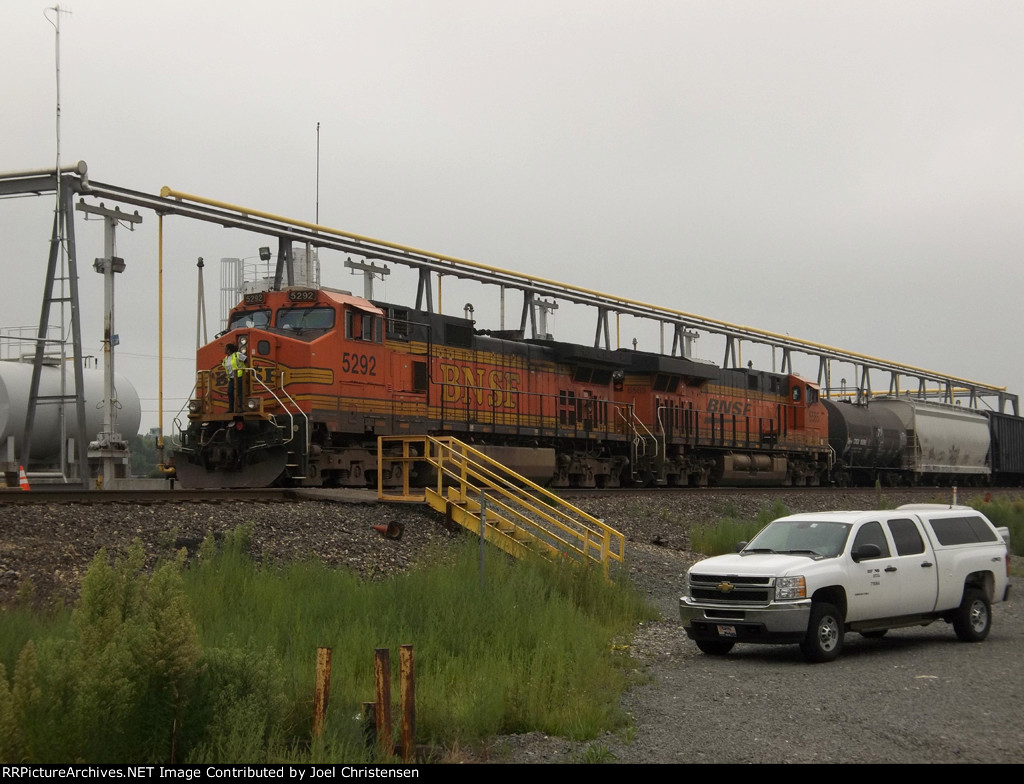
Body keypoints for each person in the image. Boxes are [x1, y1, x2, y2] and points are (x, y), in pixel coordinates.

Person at [223, 342, 246, 412]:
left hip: (239, 376)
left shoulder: (237, 355)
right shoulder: (226, 358)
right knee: (230, 392)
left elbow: (246, 360)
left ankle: (242, 407)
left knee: (239, 392)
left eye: (225, 348)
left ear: (228, 349)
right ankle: (231, 408)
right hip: (231, 378)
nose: (224, 350)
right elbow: (226, 368)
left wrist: (245, 371)